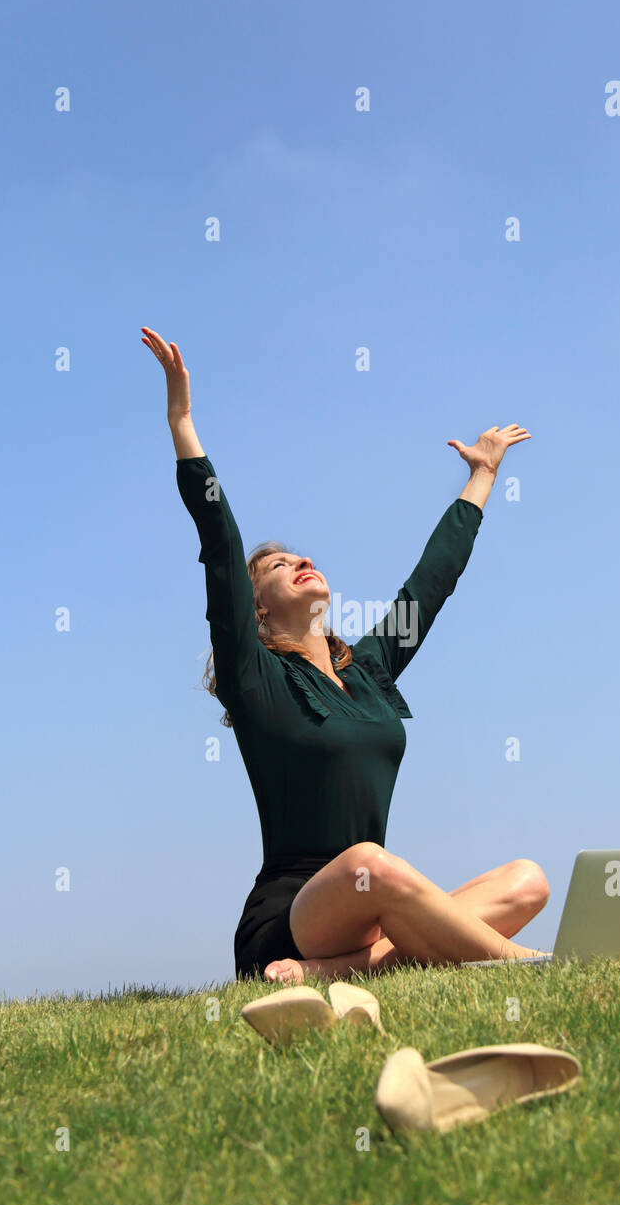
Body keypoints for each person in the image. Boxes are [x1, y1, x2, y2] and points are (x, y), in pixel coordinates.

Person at [142, 326, 550, 986]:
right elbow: (220, 544)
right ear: (259, 611)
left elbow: (431, 582)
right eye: (278, 565)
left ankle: (339, 969)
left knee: (526, 881)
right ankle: (534, 967)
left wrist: (481, 476)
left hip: (370, 915)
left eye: (301, 555)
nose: (301, 560)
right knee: (373, 864)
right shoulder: (258, 679)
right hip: (292, 914)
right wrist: (183, 424)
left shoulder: (369, 672)